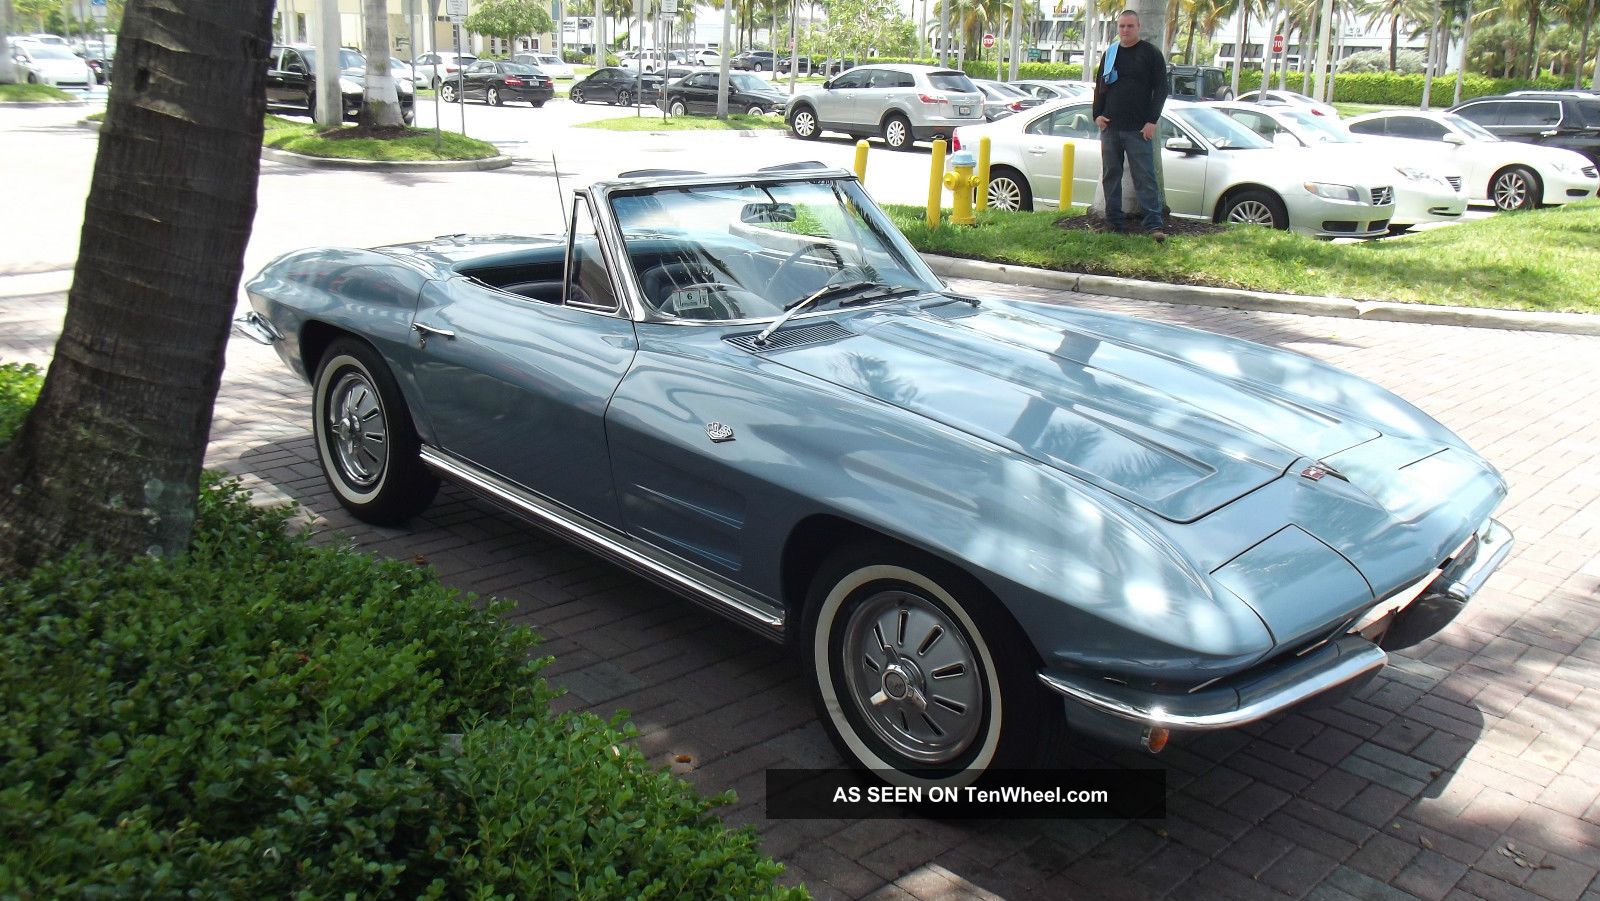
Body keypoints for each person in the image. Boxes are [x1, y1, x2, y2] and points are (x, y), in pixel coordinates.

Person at [1092, 10, 1169, 241]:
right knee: (1111, 176)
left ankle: (1154, 226)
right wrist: (1097, 115)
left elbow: (1162, 90)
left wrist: (1152, 121)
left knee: (1145, 178)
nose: (1125, 30)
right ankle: (1114, 223)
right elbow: (1099, 87)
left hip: (1139, 130)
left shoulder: (1151, 53)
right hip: (1111, 128)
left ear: (1138, 26)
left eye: (1130, 26)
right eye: (1122, 26)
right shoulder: (1111, 53)